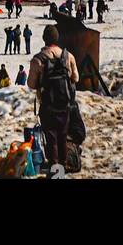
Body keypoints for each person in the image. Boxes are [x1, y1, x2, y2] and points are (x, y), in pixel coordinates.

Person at [27, 25, 79, 174]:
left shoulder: (38, 60)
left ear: (44, 39)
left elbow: (31, 84)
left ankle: (55, 168)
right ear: (57, 38)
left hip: (48, 105)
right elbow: (76, 77)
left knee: (51, 138)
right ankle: (62, 166)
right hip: (64, 104)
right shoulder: (68, 56)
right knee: (63, 135)